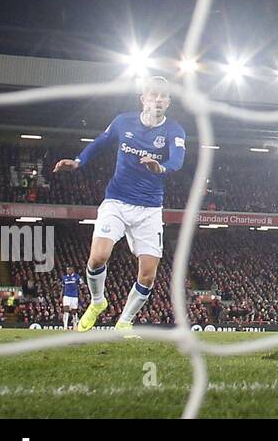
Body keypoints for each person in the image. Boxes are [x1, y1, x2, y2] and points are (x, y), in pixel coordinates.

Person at [53, 76, 186, 335]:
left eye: (163, 96)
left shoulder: (174, 130)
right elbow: (101, 142)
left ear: (168, 102)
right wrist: (79, 161)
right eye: (153, 95)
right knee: (97, 257)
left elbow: (178, 160)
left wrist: (161, 166)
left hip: (149, 209)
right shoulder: (123, 121)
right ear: (143, 98)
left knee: (147, 275)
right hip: (116, 201)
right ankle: (97, 301)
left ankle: (124, 321)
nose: (157, 100)